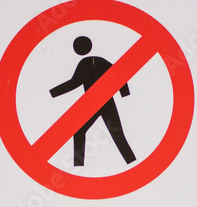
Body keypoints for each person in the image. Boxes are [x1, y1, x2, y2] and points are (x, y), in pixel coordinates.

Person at [49, 36, 136, 167]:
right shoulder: (98, 62)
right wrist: (124, 94)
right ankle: (131, 162)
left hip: (96, 103)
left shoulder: (85, 63)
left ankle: (79, 166)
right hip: (100, 103)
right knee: (116, 134)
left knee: (83, 132)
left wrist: (53, 93)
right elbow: (119, 75)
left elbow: (74, 83)